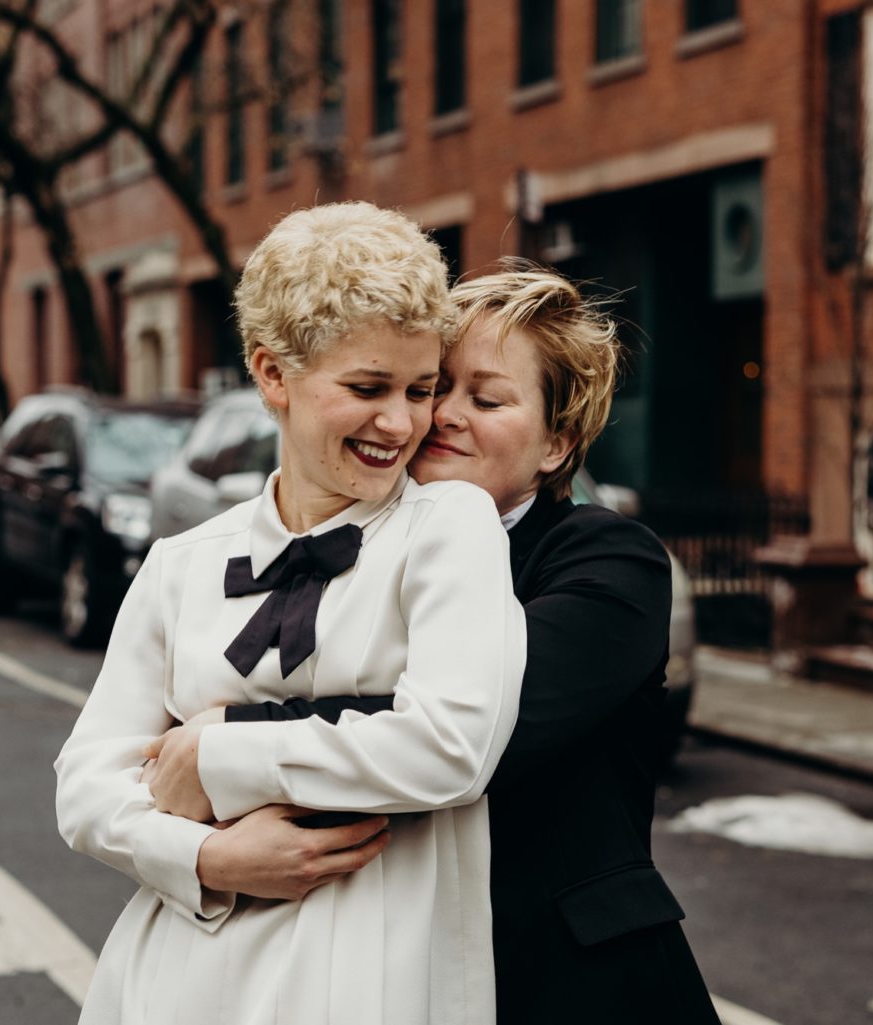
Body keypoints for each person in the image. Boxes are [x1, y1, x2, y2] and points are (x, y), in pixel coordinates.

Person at [149, 267, 722, 1024]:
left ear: (556, 443)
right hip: (388, 975)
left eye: (487, 399)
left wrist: (220, 742)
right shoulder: (356, 547)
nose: (445, 415)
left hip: (573, 980)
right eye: (431, 388)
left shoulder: (611, 561)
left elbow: (477, 727)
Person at [54, 202, 526, 1025]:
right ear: (273, 374)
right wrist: (205, 854)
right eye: (366, 387)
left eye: (421, 389)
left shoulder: (448, 529)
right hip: (176, 979)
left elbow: (452, 744)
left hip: (372, 982)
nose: (403, 422)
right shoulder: (182, 562)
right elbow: (87, 785)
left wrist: (217, 758)